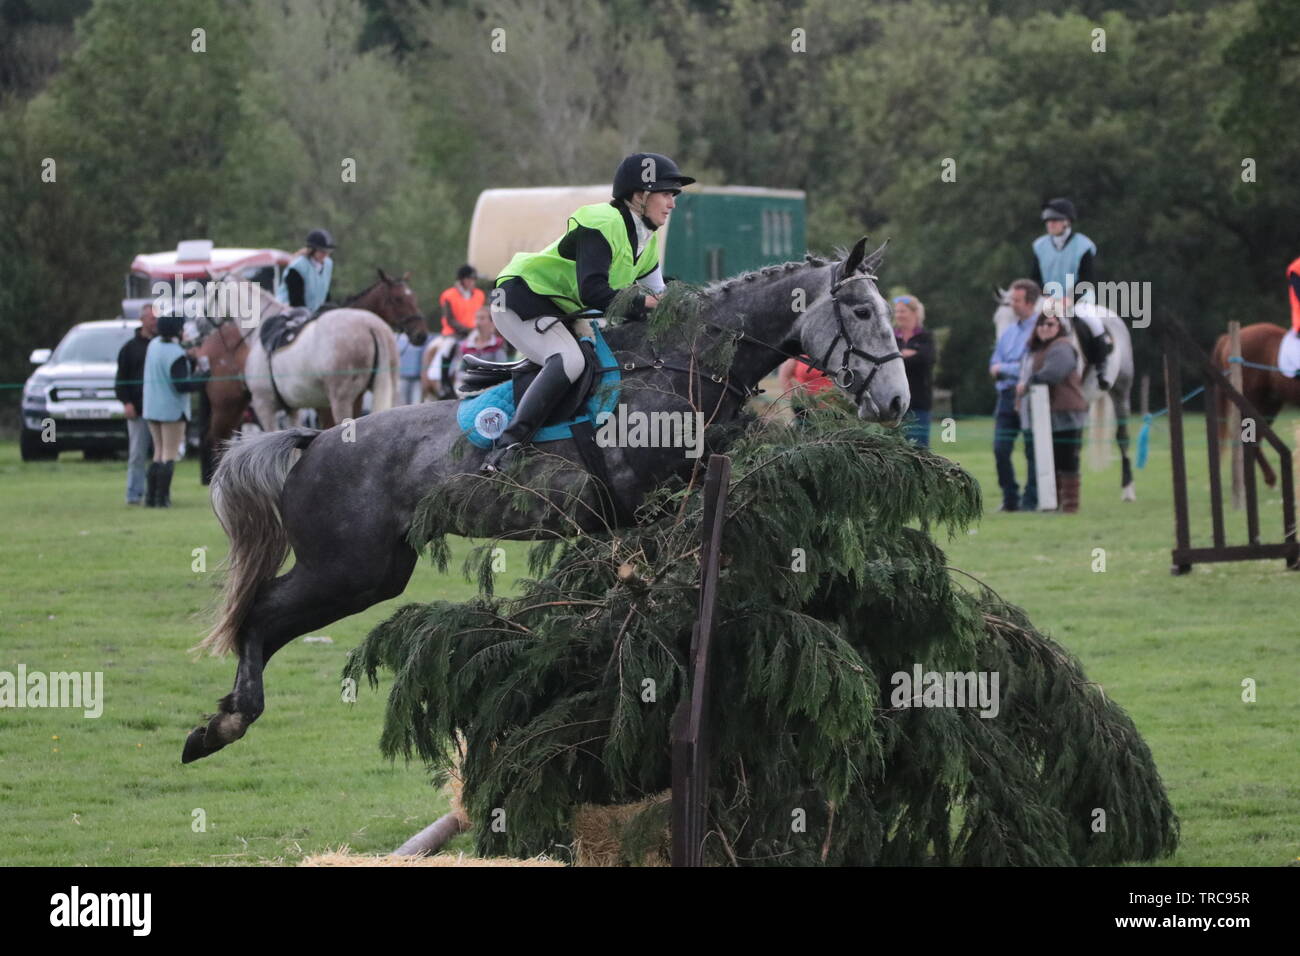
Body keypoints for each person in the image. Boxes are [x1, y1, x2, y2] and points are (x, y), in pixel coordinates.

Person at [482, 151, 693, 472]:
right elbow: (593, 291)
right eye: (666, 193)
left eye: (673, 195)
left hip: (560, 309)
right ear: (640, 196)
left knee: (604, 359)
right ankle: (508, 445)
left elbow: (659, 296)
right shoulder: (602, 223)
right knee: (570, 360)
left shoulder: (646, 242)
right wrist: (649, 304)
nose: (672, 203)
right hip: (519, 296)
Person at [1031, 198, 1111, 389]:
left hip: (1078, 297)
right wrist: (1046, 295)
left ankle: (1101, 368)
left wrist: (1070, 298)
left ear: (1066, 222)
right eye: (1048, 221)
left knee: (1093, 321)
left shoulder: (1083, 245)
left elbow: (1087, 278)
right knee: (1029, 322)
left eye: (1054, 220)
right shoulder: (1039, 245)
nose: (1050, 224)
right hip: (1048, 297)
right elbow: (1034, 277)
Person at [1016, 310, 1088, 513]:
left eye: (1050, 324)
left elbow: (1054, 373)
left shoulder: (1062, 347)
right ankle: (1054, 503)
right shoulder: (1039, 349)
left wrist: (1029, 383)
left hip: (1066, 413)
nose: (1045, 328)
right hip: (1046, 414)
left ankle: (1070, 506)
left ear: (1059, 328)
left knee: (1067, 460)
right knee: (1051, 460)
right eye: (1041, 324)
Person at [142, 305, 205, 507]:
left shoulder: (153, 345)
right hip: (171, 410)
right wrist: (204, 378)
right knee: (169, 454)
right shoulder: (176, 353)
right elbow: (182, 385)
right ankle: (163, 498)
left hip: (152, 408)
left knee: (158, 453)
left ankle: (151, 497)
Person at [990, 278, 1042, 511]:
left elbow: (1030, 366)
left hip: (1030, 397)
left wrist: (1005, 369)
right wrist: (1006, 369)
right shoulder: (1008, 332)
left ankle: (1032, 499)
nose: (1012, 304)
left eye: (1016, 300)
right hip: (1006, 397)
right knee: (1000, 448)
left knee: (1032, 450)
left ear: (1030, 302)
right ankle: (1010, 498)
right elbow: (994, 362)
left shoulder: (1042, 329)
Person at [115, 304, 156, 504]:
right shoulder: (129, 349)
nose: (154, 322)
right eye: (151, 318)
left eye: (156, 318)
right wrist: (127, 403)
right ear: (142, 320)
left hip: (158, 409)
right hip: (138, 410)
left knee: (159, 455)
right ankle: (134, 493)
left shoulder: (161, 345)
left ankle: (155, 493)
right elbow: (121, 379)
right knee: (137, 454)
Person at [429, 265, 487, 399]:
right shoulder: (448, 295)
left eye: (474, 279)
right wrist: (466, 330)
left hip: (474, 333)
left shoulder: (479, 295)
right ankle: (444, 383)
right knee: (447, 348)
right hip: (454, 333)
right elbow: (449, 319)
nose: (472, 282)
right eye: (469, 279)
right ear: (461, 280)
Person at [892, 294, 936, 448]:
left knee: (920, 449)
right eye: (897, 311)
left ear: (914, 313)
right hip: (894, 402)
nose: (898, 315)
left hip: (919, 402)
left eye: (902, 311)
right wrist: (908, 354)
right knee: (895, 448)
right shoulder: (891, 337)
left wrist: (898, 356)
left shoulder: (926, 337)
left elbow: (926, 359)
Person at [276, 228, 335, 313]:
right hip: (288, 311)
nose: (326, 254)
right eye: (322, 251)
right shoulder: (297, 267)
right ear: (312, 250)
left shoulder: (328, 264)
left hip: (313, 313)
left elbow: (325, 292)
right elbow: (296, 301)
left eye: (328, 251)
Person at [777, 356, 833, 423]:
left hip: (836, 405)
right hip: (807, 409)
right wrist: (794, 400)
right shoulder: (797, 356)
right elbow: (783, 377)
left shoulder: (827, 353)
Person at [396, 328, 427, 405]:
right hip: (402, 377)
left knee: (416, 403)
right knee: (402, 403)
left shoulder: (421, 340)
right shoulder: (398, 339)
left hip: (417, 379)